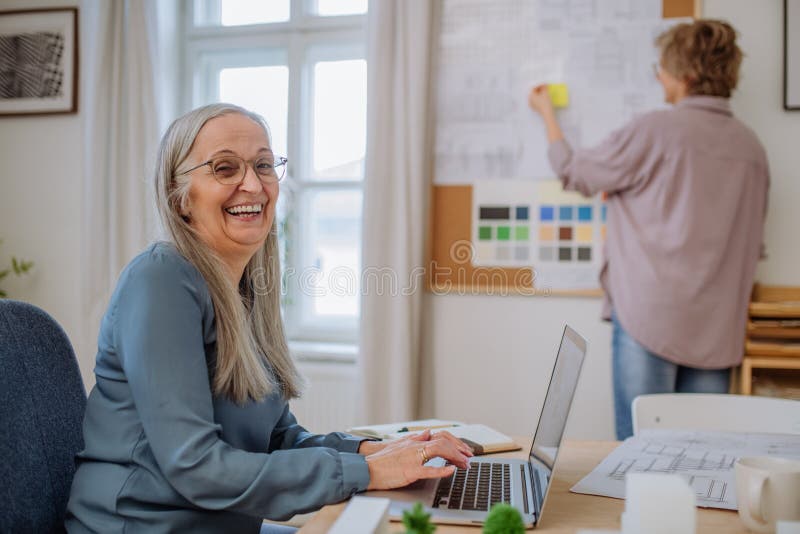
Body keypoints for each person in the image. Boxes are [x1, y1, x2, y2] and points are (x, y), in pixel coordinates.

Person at [66, 103, 473, 533]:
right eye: (225, 168)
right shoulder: (161, 279)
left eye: (263, 165)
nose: (252, 184)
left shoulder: (246, 289)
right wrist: (368, 473)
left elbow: (279, 439)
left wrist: (378, 451)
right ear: (179, 196)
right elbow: (196, 466)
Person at [527, 20, 769, 440]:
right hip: (718, 327)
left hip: (648, 320)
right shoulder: (752, 149)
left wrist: (546, 113)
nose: (658, 76)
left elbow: (574, 171)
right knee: (699, 461)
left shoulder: (654, 130)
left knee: (639, 459)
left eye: (663, 67)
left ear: (686, 75)